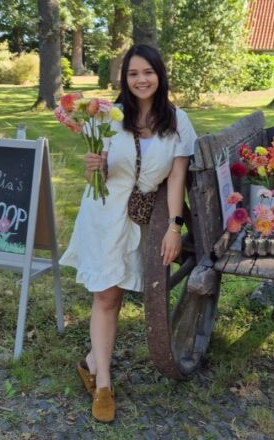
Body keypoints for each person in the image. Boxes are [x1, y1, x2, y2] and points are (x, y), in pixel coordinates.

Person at [59, 44, 197, 423]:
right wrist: (93, 167)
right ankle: (103, 384)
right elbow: (95, 175)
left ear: (160, 75)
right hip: (103, 213)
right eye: (133, 74)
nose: (141, 80)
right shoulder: (109, 117)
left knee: (118, 291)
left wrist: (174, 227)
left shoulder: (178, 122)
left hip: (140, 218)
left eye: (148, 72)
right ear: (125, 78)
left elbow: (177, 179)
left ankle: (92, 361)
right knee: (106, 294)